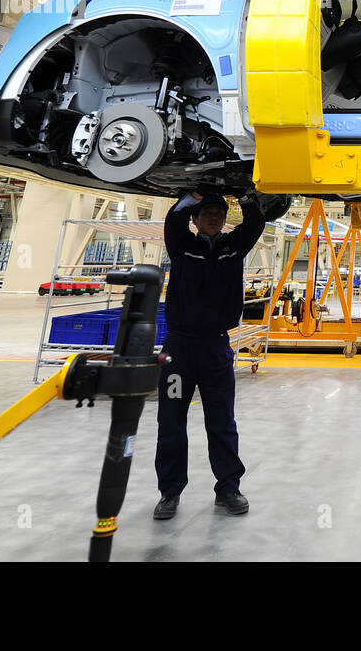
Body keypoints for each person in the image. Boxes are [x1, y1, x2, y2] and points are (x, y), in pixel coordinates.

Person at [154, 190, 266, 520]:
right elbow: (173, 219)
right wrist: (193, 194)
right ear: (195, 219)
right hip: (179, 350)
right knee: (171, 421)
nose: (214, 216)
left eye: (219, 211)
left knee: (221, 421)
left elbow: (255, 223)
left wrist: (245, 196)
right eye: (207, 211)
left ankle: (228, 487)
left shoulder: (234, 247)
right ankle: (169, 492)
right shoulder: (182, 245)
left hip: (216, 347)